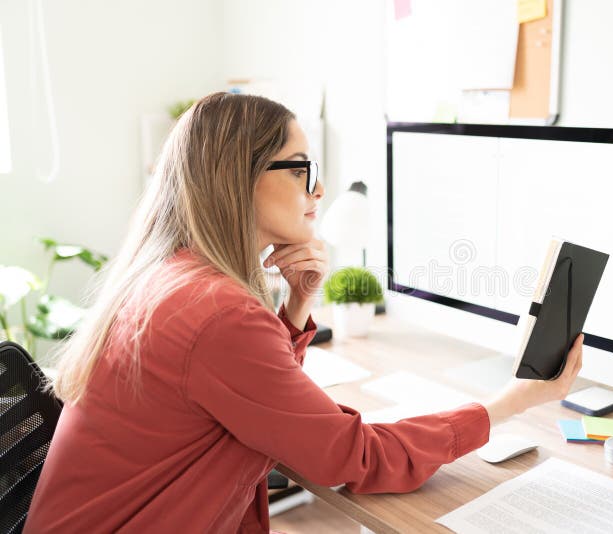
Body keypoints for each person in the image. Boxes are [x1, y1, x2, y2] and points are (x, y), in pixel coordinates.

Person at [25, 92, 583, 533]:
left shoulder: (174, 275)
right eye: (302, 170)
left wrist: (297, 305)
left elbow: (252, 400)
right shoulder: (217, 314)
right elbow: (354, 458)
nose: (320, 190)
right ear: (237, 177)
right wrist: (512, 402)